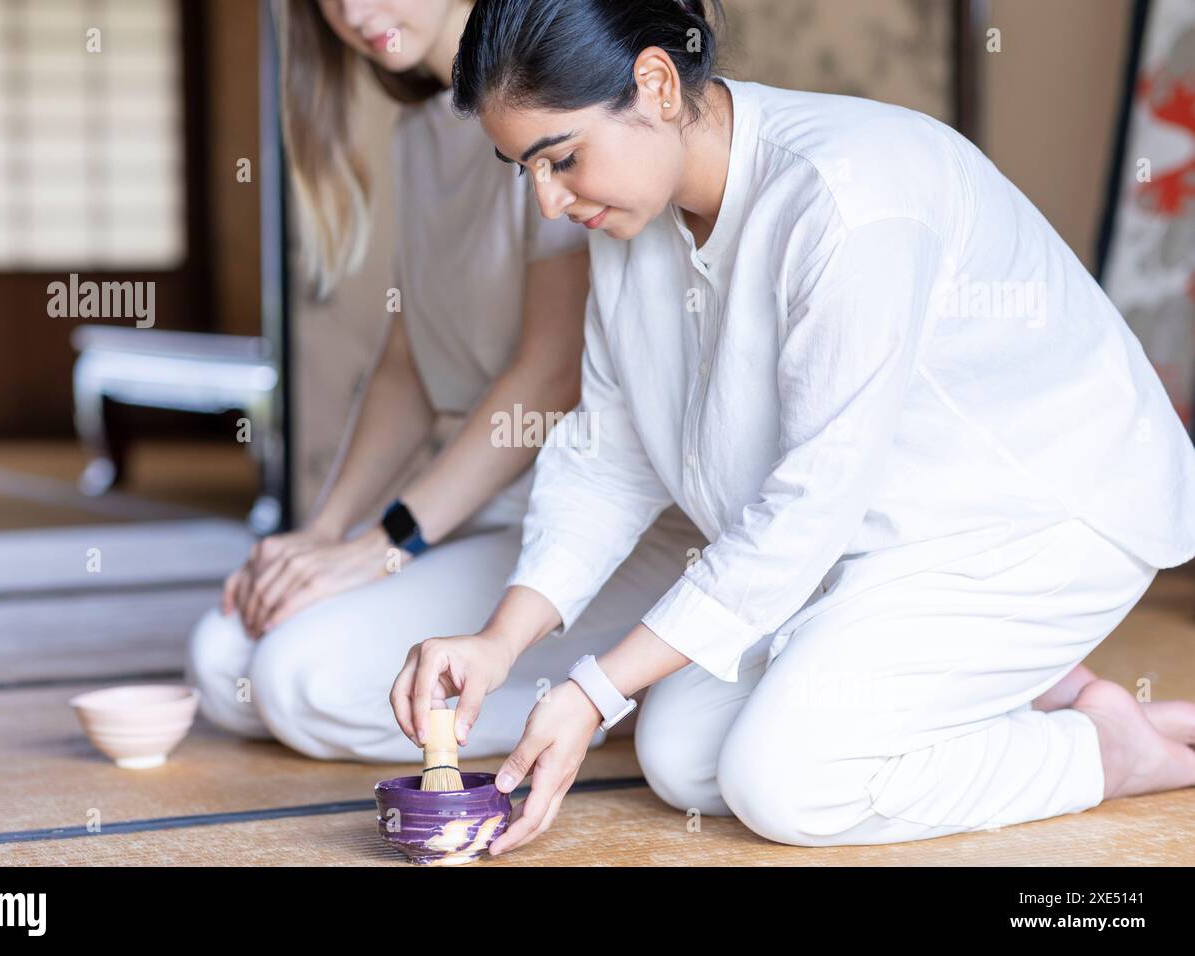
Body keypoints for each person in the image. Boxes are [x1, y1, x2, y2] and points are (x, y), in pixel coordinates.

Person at [391, 0, 1195, 853]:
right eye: (527, 171)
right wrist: (497, 641)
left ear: (657, 84)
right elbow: (607, 463)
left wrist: (593, 691)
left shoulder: (846, 198)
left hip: (1038, 518)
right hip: (878, 538)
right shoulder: (628, 220)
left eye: (562, 159)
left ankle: (1100, 750)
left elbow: (804, 510)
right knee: (681, 752)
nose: (550, 202)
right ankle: (1020, 690)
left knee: (785, 781)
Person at [186, 0, 705, 761]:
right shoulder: (421, 134)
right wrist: (325, 533)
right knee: (224, 655)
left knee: (297, 680)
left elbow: (551, 373)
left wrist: (385, 542)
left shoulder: (549, 121)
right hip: (475, 510)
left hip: (584, 524)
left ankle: (631, 684)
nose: (355, 12)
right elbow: (409, 363)